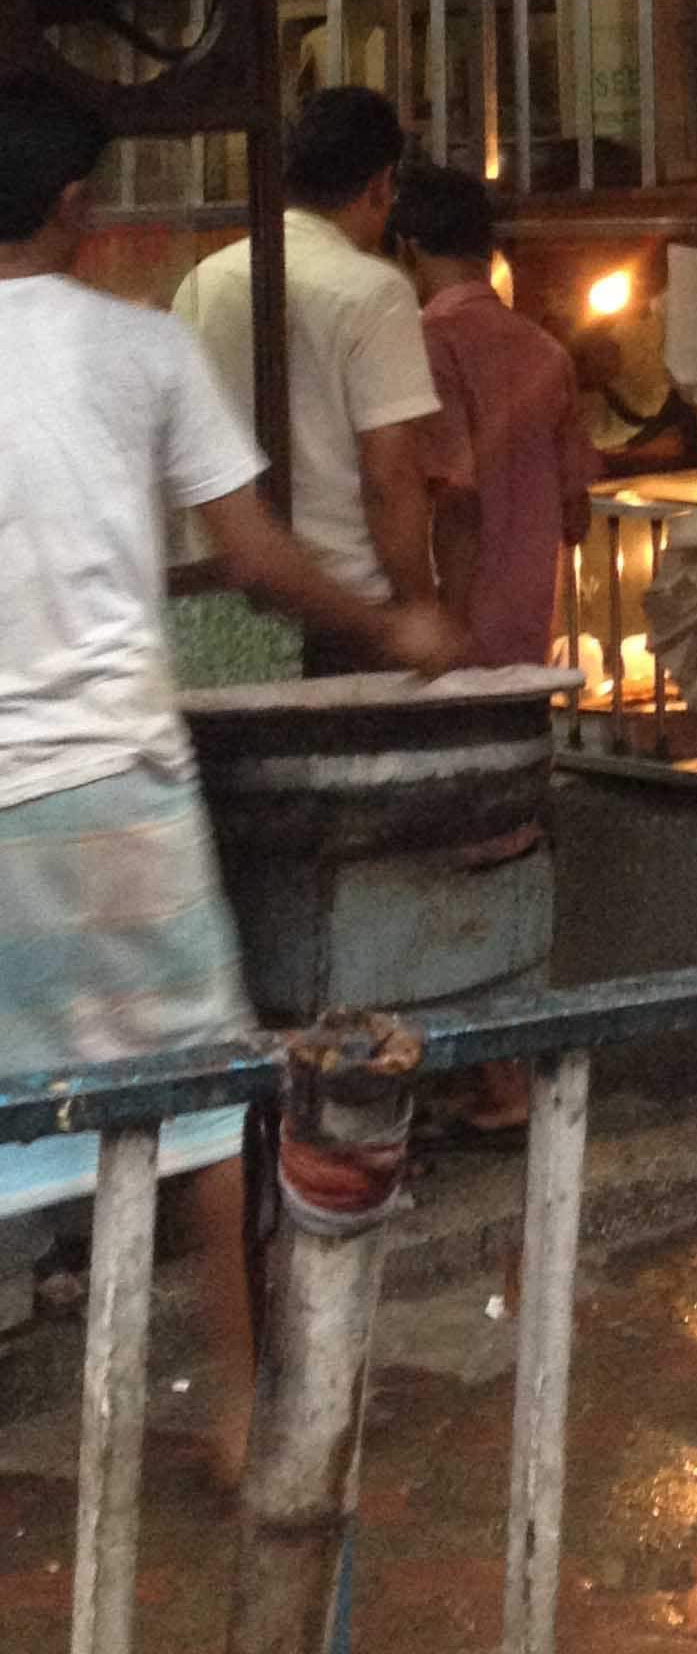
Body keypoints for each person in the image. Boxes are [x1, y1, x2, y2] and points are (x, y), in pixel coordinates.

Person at [0, 73, 460, 1480]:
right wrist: (396, 622)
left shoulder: (169, 317)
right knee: (203, 1102)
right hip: (105, 783)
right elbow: (253, 555)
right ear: (78, 209)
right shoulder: (134, 350)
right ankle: (246, 1411)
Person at [177, 88, 442, 654]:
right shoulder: (374, 291)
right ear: (380, 185)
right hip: (344, 610)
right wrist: (420, 610)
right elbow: (389, 476)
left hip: (218, 611)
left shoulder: (204, 280)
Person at [389, 161, 597, 668]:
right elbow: (577, 516)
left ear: (409, 249)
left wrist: (447, 624)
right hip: (527, 633)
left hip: (457, 636)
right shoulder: (548, 352)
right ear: (488, 253)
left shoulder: (429, 343)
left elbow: (456, 494)